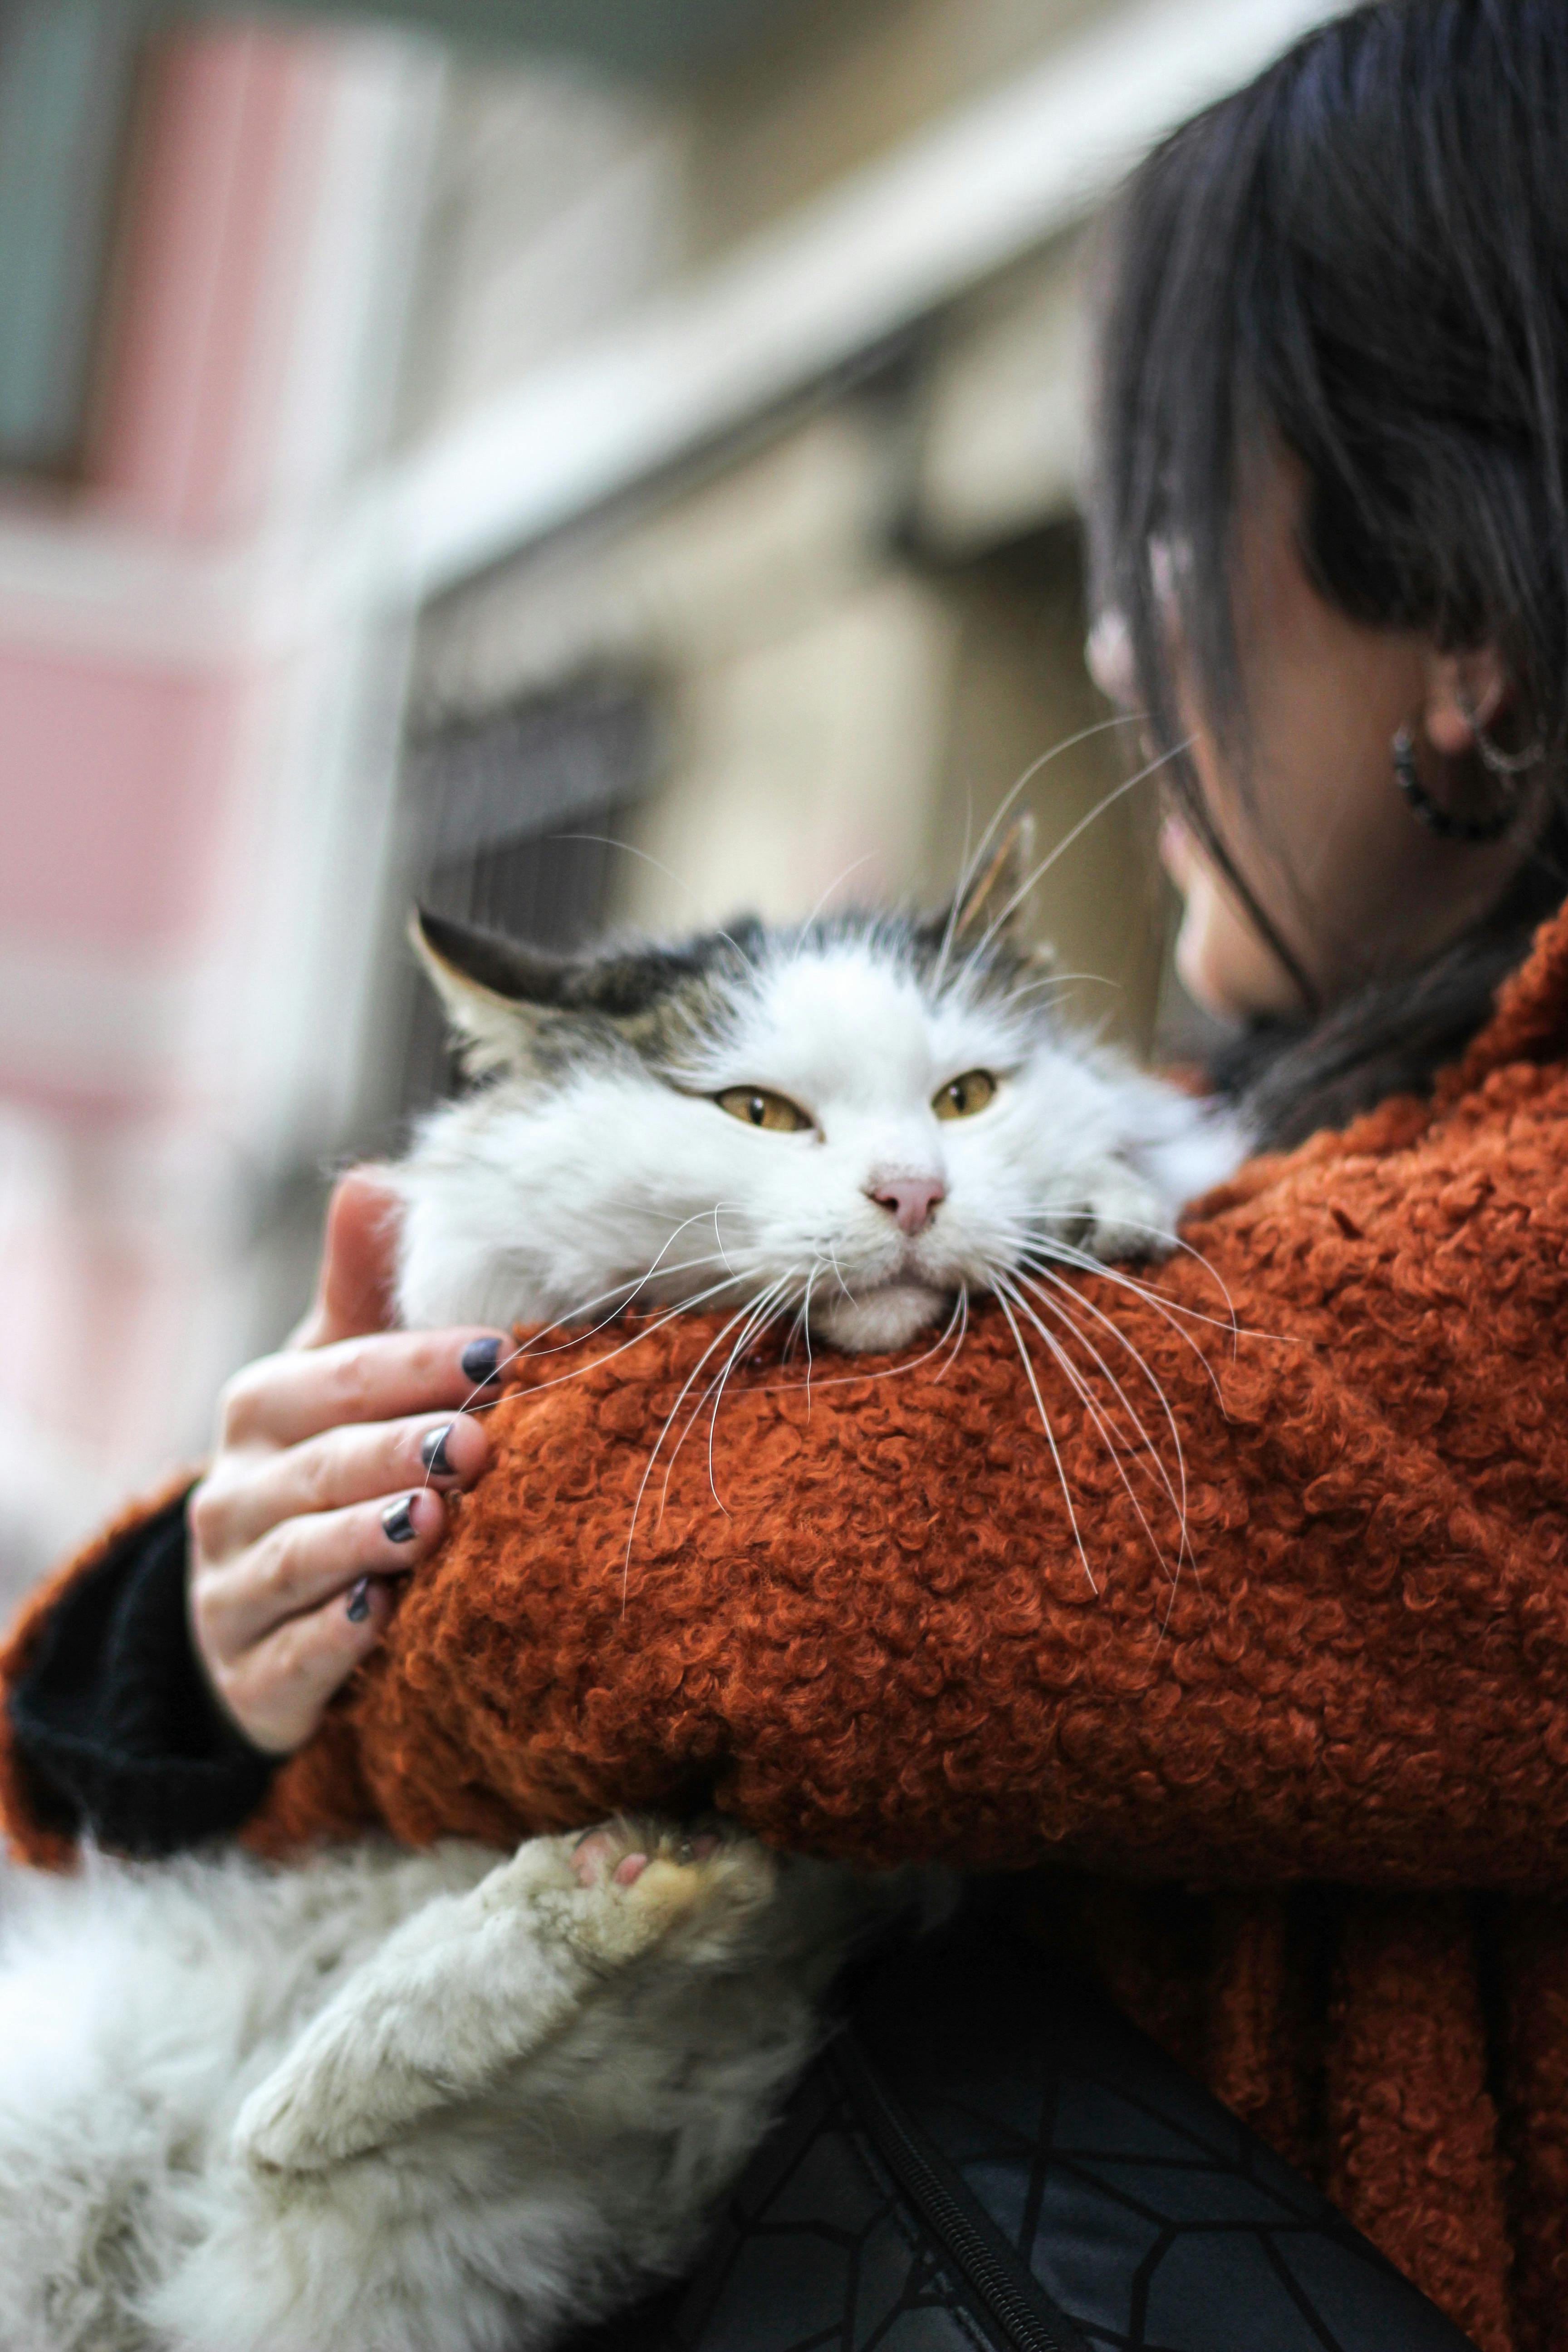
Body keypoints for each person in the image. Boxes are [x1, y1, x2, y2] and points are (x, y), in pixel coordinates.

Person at [2, 2, 1564, 2345]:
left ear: (1468, 630)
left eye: (1163, 518)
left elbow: (775, 1590)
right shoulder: (1315, 1144)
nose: (1125, 642)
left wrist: (318, 1610)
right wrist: (197, 1630)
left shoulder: (1490, 1267)